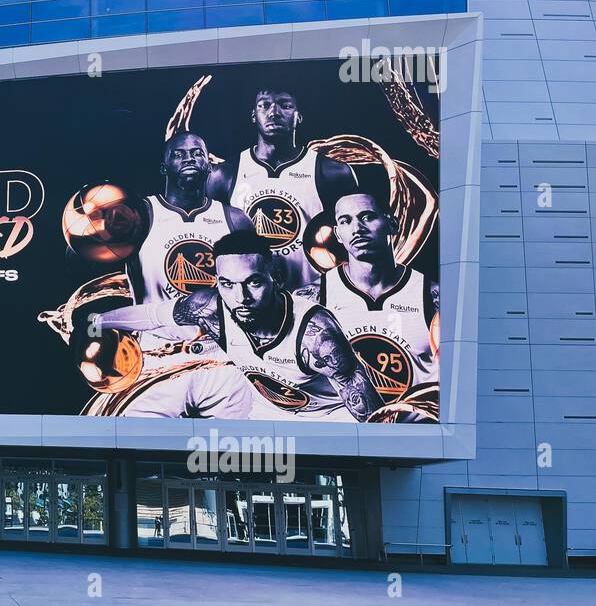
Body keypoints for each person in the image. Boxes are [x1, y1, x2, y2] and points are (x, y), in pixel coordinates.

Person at [97, 230, 384, 421]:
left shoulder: (317, 337)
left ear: (276, 279)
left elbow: (374, 424)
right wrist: (96, 322)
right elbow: (152, 315)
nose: (241, 298)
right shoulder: (212, 309)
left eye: (253, 282)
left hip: (328, 422)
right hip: (268, 420)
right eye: (228, 284)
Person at [208, 88, 356, 288]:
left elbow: (355, 238)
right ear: (254, 115)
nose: (274, 112)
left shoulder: (332, 172)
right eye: (264, 105)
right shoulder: (224, 174)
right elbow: (211, 239)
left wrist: (332, 285)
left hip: (313, 294)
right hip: (247, 296)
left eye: (285, 106)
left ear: (299, 116)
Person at [319, 192, 439, 407]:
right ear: (338, 234)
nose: (357, 229)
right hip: (346, 430)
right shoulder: (316, 297)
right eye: (345, 221)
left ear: (392, 224)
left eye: (367, 217)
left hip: (413, 429)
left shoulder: (433, 296)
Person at [128, 130, 254, 303]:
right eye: (178, 154)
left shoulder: (235, 220)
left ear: (209, 166)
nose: (189, 159)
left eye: (197, 153)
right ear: (163, 168)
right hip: (157, 330)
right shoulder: (141, 214)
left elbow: (256, 282)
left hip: (222, 330)